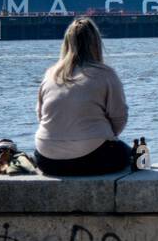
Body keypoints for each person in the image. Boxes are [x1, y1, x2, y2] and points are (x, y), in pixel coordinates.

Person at [32, 18, 132, 176]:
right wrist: (103, 137)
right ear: (96, 43)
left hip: (47, 160)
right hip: (93, 156)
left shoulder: (51, 74)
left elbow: (41, 115)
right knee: (131, 154)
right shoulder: (106, 74)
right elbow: (119, 118)